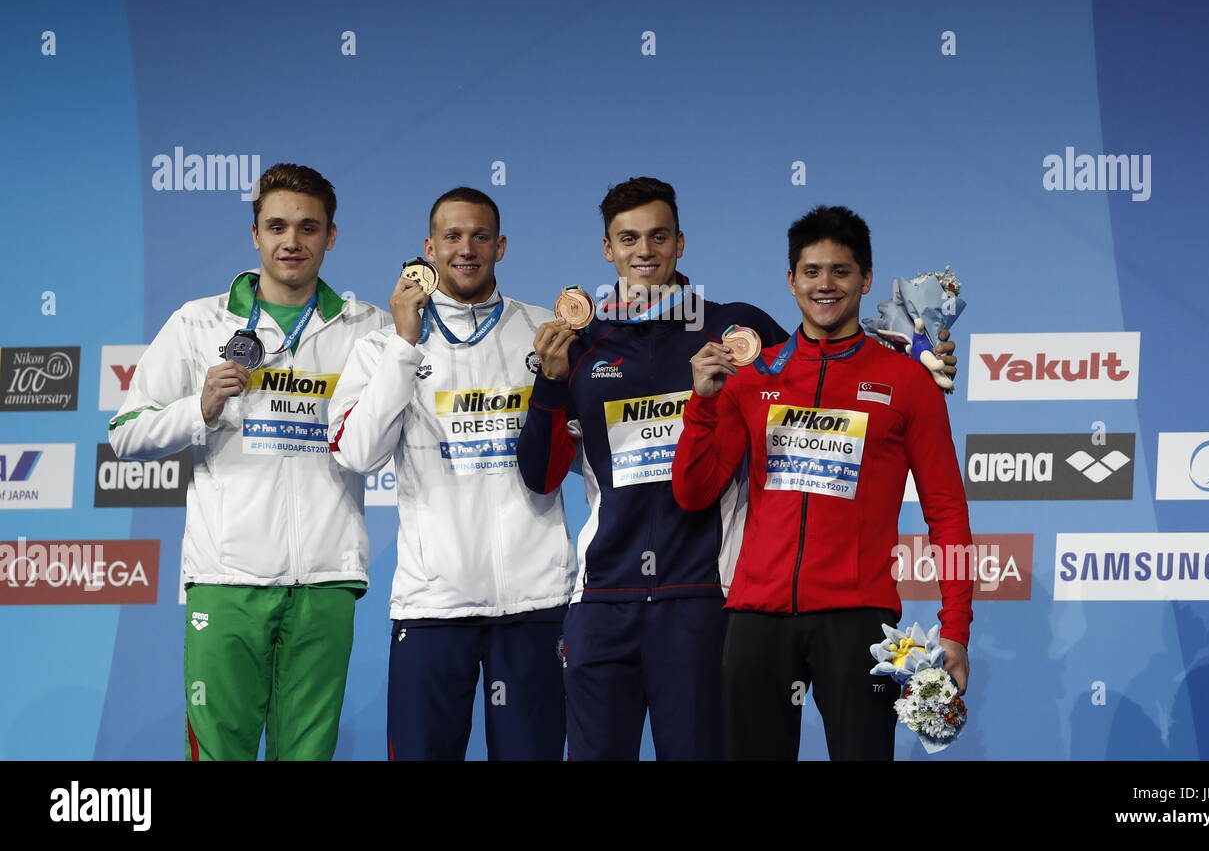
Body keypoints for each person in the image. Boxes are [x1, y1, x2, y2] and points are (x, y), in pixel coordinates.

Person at [517, 178, 958, 760]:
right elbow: (542, 475)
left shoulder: (734, 333)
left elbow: (821, 354)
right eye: (628, 238)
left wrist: (914, 355)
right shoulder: (579, 346)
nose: (643, 251)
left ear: (681, 243)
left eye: (658, 235)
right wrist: (549, 385)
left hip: (710, 595)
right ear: (607, 249)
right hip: (608, 596)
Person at [672, 204, 973, 760]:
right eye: (811, 272)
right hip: (756, 619)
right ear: (791, 281)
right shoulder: (753, 378)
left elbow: (947, 512)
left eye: (841, 271)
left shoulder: (908, 383)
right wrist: (701, 406)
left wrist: (955, 626)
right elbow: (693, 492)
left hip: (859, 625)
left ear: (866, 279)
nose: (825, 285)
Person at [108, 163, 388, 760]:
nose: (293, 241)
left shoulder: (369, 329)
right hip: (226, 576)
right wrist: (201, 407)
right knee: (220, 754)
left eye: (309, 227)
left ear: (330, 236)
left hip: (325, 578)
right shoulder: (197, 322)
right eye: (278, 226)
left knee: (308, 755)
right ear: (254, 234)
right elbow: (125, 435)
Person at [328, 187, 573, 760]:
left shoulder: (543, 333)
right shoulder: (383, 347)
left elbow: (579, 454)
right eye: (453, 236)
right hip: (434, 604)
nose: (467, 249)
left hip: (534, 602)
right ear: (429, 246)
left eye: (480, 236)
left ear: (501, 246)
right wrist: (405, 345)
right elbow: (358, 454)